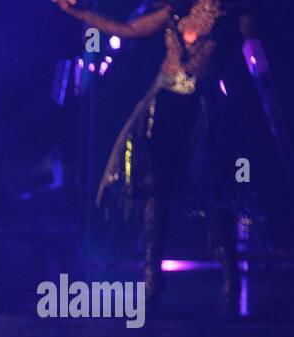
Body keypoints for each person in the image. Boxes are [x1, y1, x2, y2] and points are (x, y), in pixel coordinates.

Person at [53, 0, 258, 312]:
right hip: (162, 108)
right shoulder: (174, 11)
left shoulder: (238, 16)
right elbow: (129, 29)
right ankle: (151, 283)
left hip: (203, 110)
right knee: (153, 191)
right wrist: (77, 12)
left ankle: (231, 282)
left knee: (214, 193)